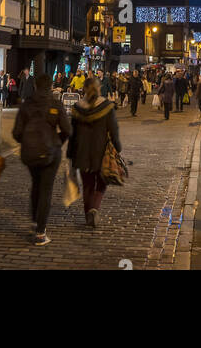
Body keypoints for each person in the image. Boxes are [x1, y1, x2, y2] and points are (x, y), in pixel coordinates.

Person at [13, 73, 71, 246]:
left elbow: (16, 133)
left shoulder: (26, 105)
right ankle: (40, 232)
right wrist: (57, 142)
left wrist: (28, 142)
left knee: (36, 185)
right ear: (50, 86)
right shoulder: (55, 104)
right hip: (50, 152)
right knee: (46, 189)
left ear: (36, 86)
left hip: (30, 153)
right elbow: (67, 130)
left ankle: (34, 221)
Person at [67, 75, 122, 229]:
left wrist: (70, 153)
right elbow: (114, 130)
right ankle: (94, 208)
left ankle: (88, 215)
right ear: (98, 88)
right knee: (102, 182)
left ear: (84, 89)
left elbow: (73, 133)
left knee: (87, 184)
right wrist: (117, 147)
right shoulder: (106, 106)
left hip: (82, 151)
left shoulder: (77, 108)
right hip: (101, 151)